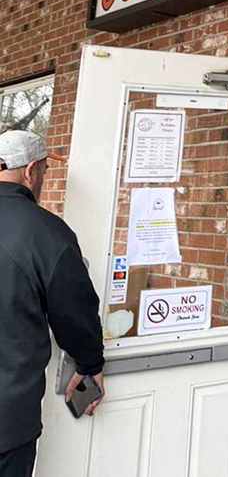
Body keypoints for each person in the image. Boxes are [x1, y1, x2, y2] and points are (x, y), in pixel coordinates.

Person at [0, 130, 105, 476]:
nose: (43, 179)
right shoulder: (48, 233)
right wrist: (89, 365)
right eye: (44, 171)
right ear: (30, 171)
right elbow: (74, 311)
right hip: (7, 423)